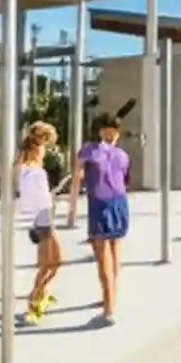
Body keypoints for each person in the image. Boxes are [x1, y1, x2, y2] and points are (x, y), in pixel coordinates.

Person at [66, 113, 131, 326]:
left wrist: (72, 211)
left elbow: (76, 180)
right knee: (115, 250)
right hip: (120, 202)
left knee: (103, 256)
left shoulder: (87, 152)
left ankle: (109, 308)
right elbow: (125, 180)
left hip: (100, 204)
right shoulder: (122, 155)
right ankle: (110, 298)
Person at [18, 127, 62, 325]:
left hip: (43, 220)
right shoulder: (34, 172)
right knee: (50, 264)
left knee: (52, 263)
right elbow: (35, 200)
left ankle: (41, 294)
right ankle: (34, 301)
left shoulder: (28, 170)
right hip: (43, 222)